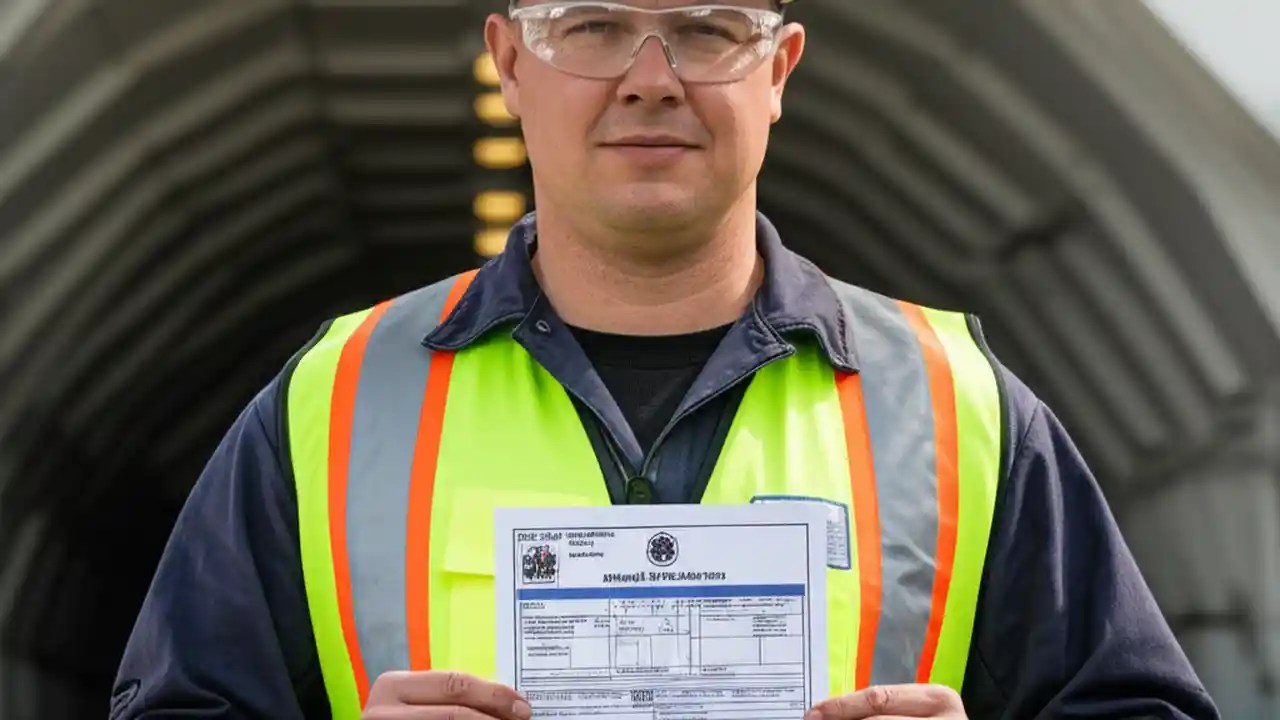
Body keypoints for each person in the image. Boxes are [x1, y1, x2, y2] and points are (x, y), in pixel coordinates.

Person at [113, 1, 1220, 718]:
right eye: (590, 27)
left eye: (704, 29)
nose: (650, 78)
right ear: (508, 62)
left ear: (777, 68)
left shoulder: (956, 407)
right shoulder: (336, 402)